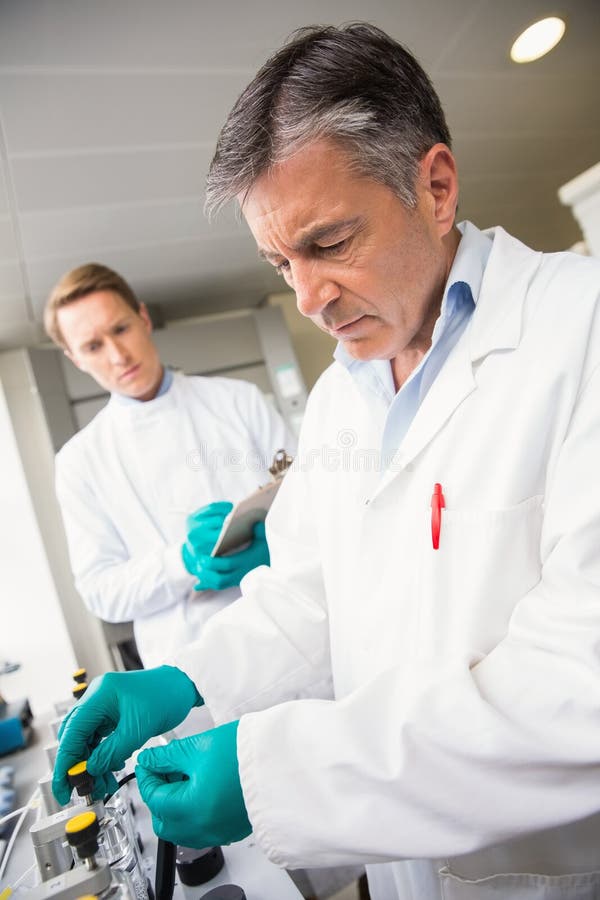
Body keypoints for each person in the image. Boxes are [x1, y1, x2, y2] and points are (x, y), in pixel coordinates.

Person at [53, 23, 600, 900]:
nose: (305, 298)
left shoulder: (581, 333)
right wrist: (189, 678)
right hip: (401, 863)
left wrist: (283, 776)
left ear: (436, 185)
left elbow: (580, 689)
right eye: (278, 261)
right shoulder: (347, 395)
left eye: (330, 243)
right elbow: (311, 590)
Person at [44, 263, 294, 671]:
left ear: (143, 318)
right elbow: (100, 591)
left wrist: (274, 546)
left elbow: (313, 501)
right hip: (189, 669)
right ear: (75, 359)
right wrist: (181, 561)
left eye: (121, 329)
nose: (117, 355)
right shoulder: (79, 462)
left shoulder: (238, 401)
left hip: (285, 630)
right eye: (93, 346)